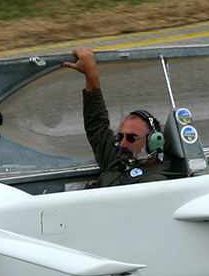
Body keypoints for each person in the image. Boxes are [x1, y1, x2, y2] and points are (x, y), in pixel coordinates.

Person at [63, 46, 172, 188]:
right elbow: (96, 125)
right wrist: (91, 75)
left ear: (153, 142)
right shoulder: (117, 159)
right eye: (120, 137)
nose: (122, 144)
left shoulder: (157, 182)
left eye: (131, 138)